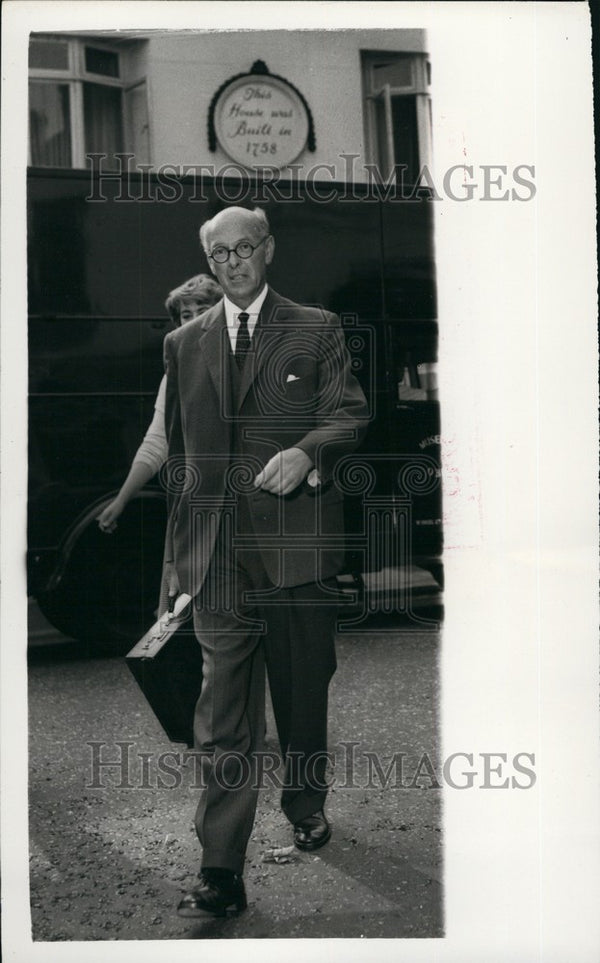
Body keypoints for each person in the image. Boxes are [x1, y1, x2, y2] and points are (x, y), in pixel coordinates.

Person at [163, 206, 369, 918]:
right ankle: (220, 865)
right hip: (217, 560)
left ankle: (305, 797)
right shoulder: (183, 342)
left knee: (302, 694)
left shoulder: (316, 328)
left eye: (244, 247)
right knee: (222, 714)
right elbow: (185, 464)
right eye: (218, 254)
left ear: (269, 249)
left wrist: (307, 451)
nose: (232, 261)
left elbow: (348, 412)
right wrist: (175, 563)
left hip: (297, 550)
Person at [97, 274, 223, 536]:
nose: (196, 320)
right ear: (178, 325)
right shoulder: (177, 375)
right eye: (187, 315)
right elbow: (157, 441)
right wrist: (122, 499)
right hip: (200, 507)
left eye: (204, 311)